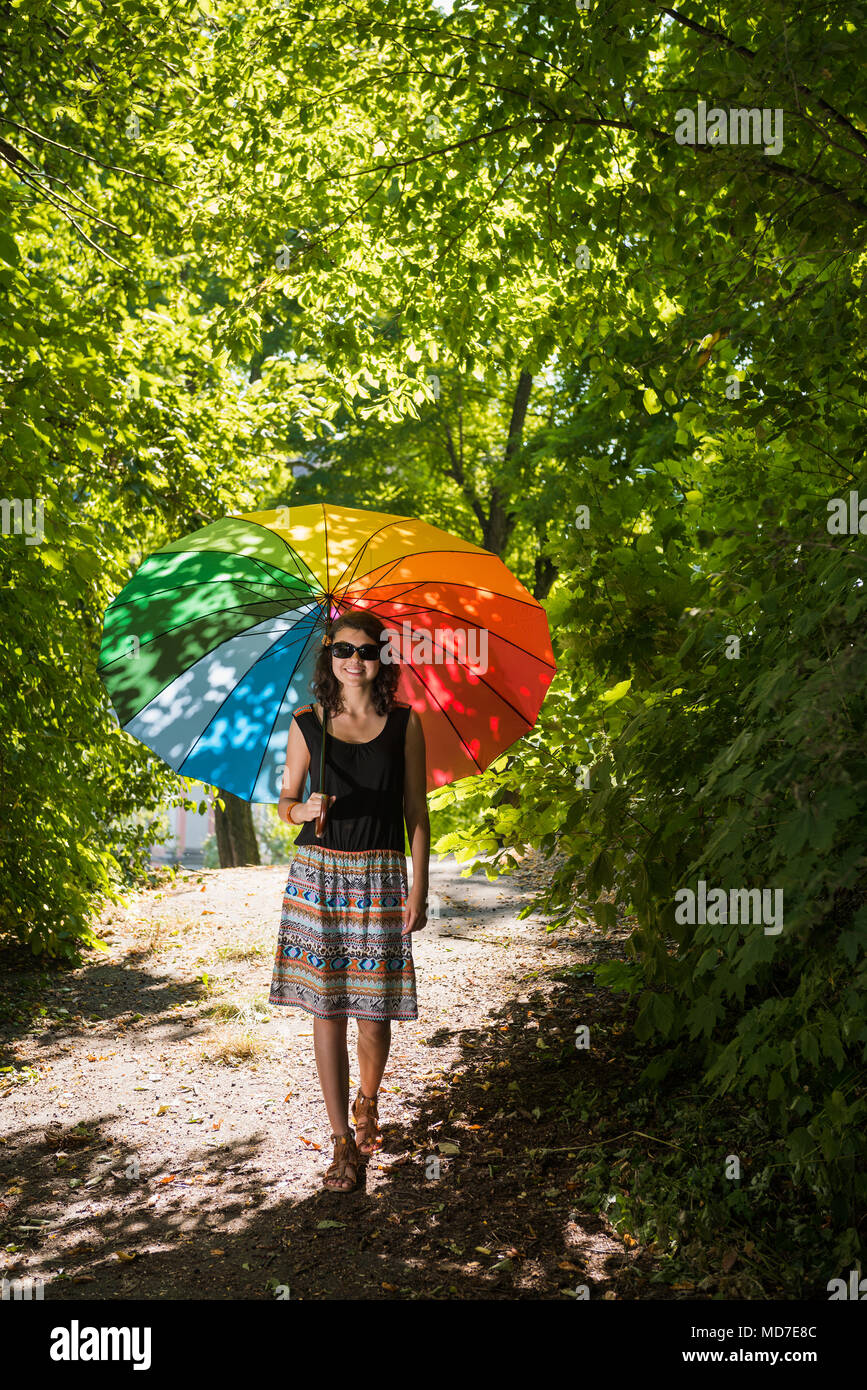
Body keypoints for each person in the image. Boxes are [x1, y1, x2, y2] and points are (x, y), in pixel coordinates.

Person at [269, 608, 430, 1191]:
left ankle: (368, 1099)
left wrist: (421, 884)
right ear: (329, 656)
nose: (354, 661)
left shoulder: (405, 723)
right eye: (343, 650)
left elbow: (416, 811)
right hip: (320, 878)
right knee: (327, 1010)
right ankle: (341, 1144)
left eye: (366, 651)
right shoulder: (308, 723)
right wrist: (303, 809)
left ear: (381, 659)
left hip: (383, 879)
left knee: (374, 1015)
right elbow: (285, 800)